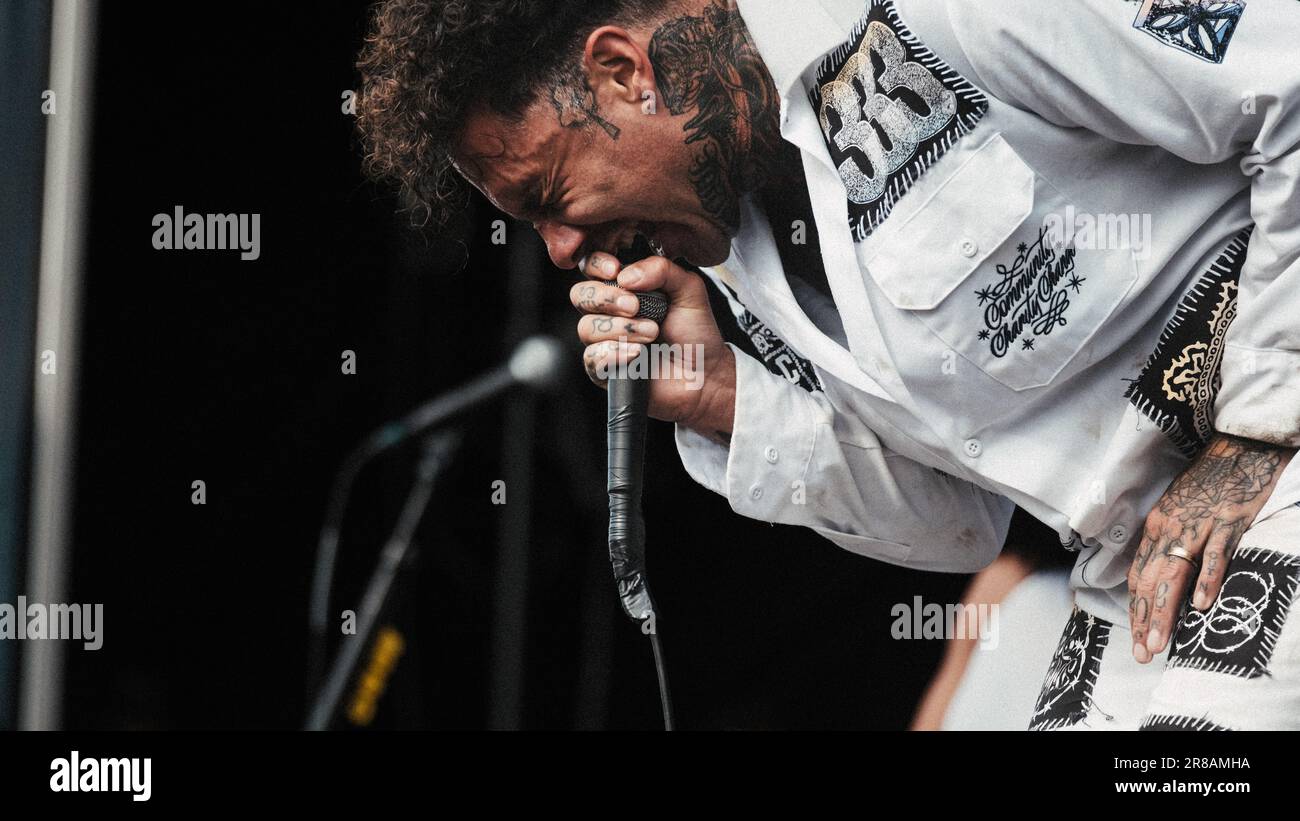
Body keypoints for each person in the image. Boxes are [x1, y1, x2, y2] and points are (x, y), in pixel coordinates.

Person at [355, 0, 1300, 729]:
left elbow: (1287, 77)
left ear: (620, 70)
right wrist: (728, 399)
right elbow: (961, 524)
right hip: (1145, 569)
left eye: (550, 197)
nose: (561, 249)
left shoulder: (926, 14)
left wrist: (1257, 427)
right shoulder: (736, 250)